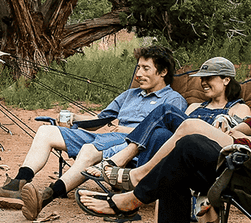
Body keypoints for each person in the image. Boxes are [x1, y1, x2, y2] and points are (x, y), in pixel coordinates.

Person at [0, 45, 185, 218]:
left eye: (146, 69)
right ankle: (18, 184)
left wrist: (128, 129)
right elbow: (101, 119)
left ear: (163, 72)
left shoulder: (172, 100)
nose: (138, 74)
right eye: (138, 68)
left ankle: (47, 195)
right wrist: (74, 117)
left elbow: (165, 135)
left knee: (88, 150)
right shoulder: (130, 94)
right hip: (106, 136)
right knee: (46, 131)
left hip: (130, 144)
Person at [77, 117, 251, 223]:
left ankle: (135, 194)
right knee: (183, 149)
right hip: (240, 161)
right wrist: (233, 127)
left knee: (188, 137)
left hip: (244, 166)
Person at [80, 57, 249, 194]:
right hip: (183, 152)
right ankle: (135, 189)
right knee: (159, 134)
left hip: (211, 157)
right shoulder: (195, 106)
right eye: (202, 78)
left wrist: (228, 121)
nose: (203, 82)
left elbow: (238, 134)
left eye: (209, 78)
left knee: (166, 110)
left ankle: (122, 161)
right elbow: (178, 133)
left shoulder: (238, 108)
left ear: (226, 79)